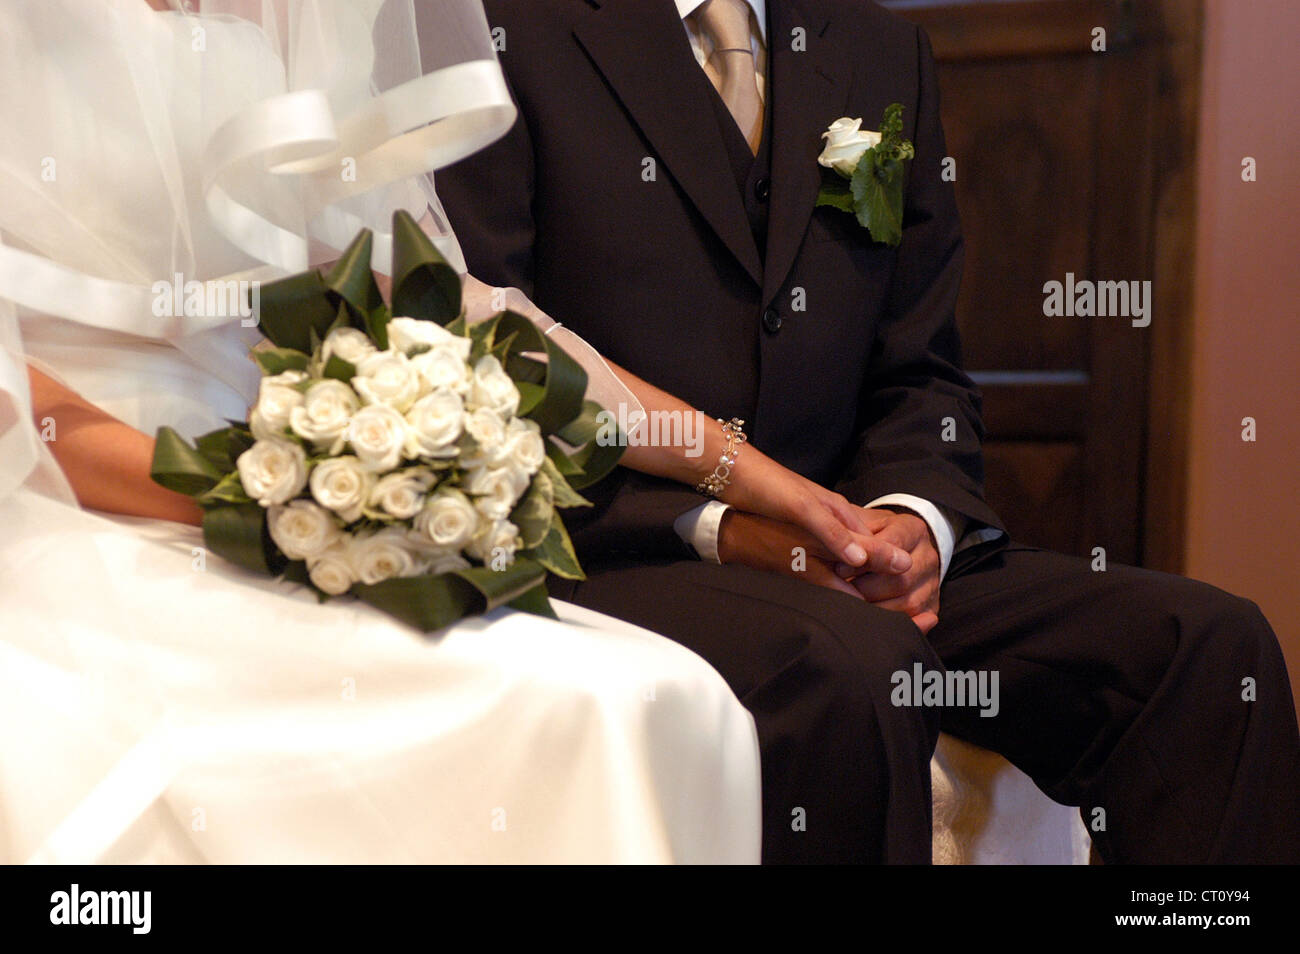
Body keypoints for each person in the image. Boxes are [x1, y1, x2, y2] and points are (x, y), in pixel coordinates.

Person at [0, 0, 886, 863]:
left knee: (666, 693)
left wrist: (753, 476)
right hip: (67, 503)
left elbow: (455, 312)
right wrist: (253, 497)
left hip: (280, 491)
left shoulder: (281, 15)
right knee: (557, 705)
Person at [436, 0, 1300, 862]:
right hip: (622, 547)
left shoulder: (885, 49)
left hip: (853, 543)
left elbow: (923, 369)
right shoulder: (506, 27)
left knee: (1209, 650)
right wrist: (733, 531)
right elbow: (488, 368)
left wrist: (914, 522)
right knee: (858, 664)